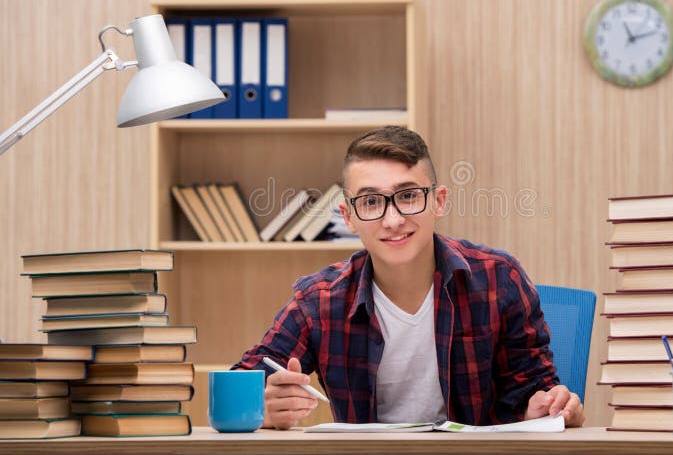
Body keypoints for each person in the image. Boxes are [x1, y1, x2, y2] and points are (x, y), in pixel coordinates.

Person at [232, 126, 585, 429]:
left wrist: (548, 409)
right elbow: (236, 390)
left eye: (409, 196)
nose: (393, 220)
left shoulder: (499, 279)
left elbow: (534, 395)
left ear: (439, 201)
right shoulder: (319, 301)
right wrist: (260, 409)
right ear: (348, 216)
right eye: (371, 202)